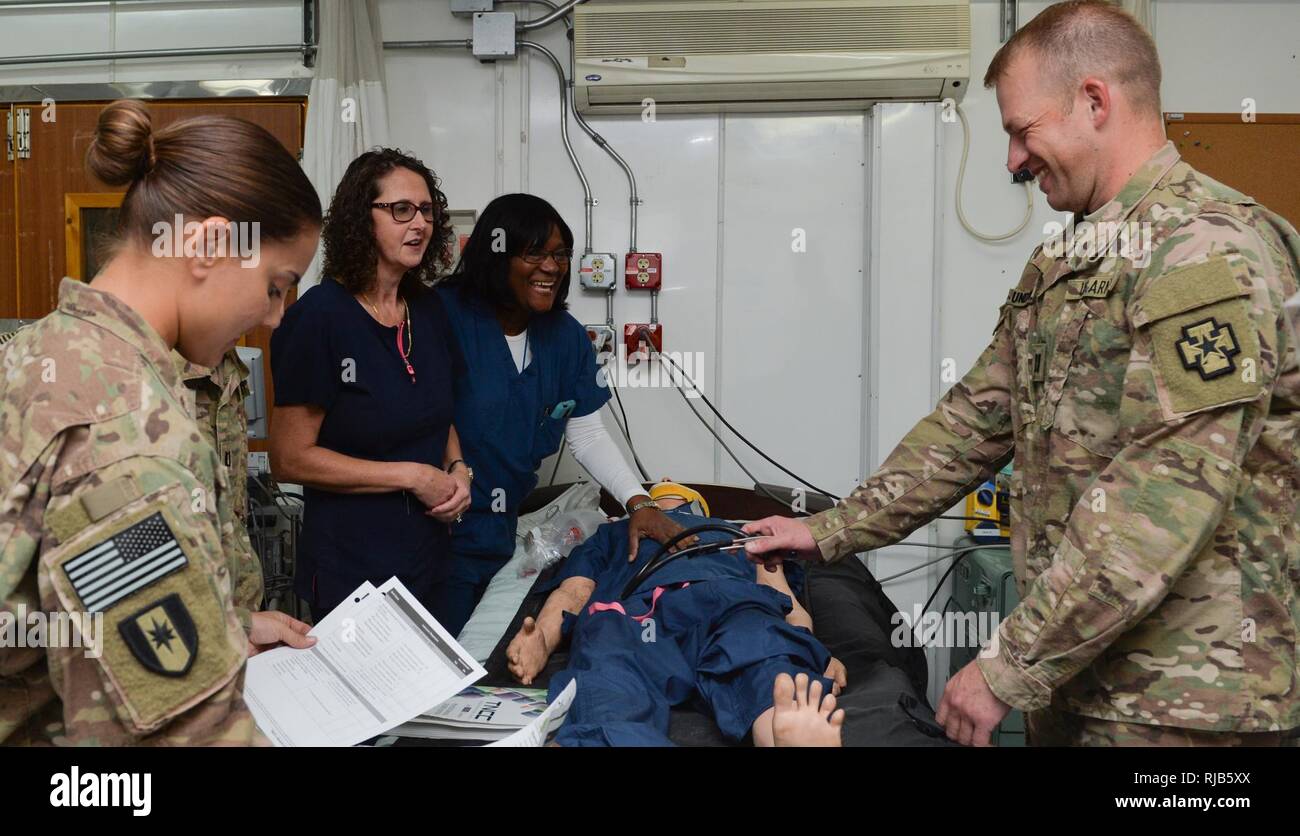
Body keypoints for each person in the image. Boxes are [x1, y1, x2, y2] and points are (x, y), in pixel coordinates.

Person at [745, 0, 1300, 747]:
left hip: (1185, 703)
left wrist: (1009, 665)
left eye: (1021, 130)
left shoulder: (1203, 249)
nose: (1012, 161)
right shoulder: (1067, 259)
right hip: (1081, 684)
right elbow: (972, 422)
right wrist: (831, 530)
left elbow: (1167, 489)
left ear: (1094, 101)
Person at [0, 99, 321, 745]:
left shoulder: (38, 349)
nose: (275, 316)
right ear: (207, 245)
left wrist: (224, 621)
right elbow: (177, 733)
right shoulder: (130, 438)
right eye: (275, 285)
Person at [432, 194, 694, 635]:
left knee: (488, 650)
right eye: (535, 253)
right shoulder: (441, 316)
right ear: (496, 254)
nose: (552, 267)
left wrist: (639, 501)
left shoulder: (565, 338)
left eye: (561, 255)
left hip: (499, 537)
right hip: (435, 535)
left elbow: (586, 434)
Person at [269, 149, 471, 622]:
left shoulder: (428, 309)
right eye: (401, 210)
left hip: (430, 557)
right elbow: (289, 458)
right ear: (362, 219)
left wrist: (459, 469)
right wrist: (412, 476)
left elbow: (437, 412)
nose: (419, 224)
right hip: (352, 568)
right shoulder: (319, 318)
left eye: (426, 211)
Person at [506, 483, 846, 747]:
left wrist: (807, 646)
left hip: (727, 601)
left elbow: (779, 594)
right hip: (631, 615)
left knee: (767, 658)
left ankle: (782, 729)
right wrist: (543, 640)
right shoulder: (611, 533)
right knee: (608, 680)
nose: (667, 479)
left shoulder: (739, 533)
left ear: (699, 507)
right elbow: (574, 591)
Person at [180, 349, 264, 613]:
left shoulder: (228, 367)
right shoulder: (148, 371)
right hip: (190, 610)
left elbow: (231, 513)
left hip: (233, 606)